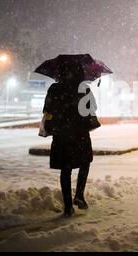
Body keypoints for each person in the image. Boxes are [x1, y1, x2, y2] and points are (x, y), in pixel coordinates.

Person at [42, 63, 98, 217]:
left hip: (61, 134)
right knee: (85, 162)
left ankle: (68, 206)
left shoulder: (54, 89)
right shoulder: (84, 89)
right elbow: (91, 110)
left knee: (65, 169)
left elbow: (47, 110)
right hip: (80, 134)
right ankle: (79, 195)